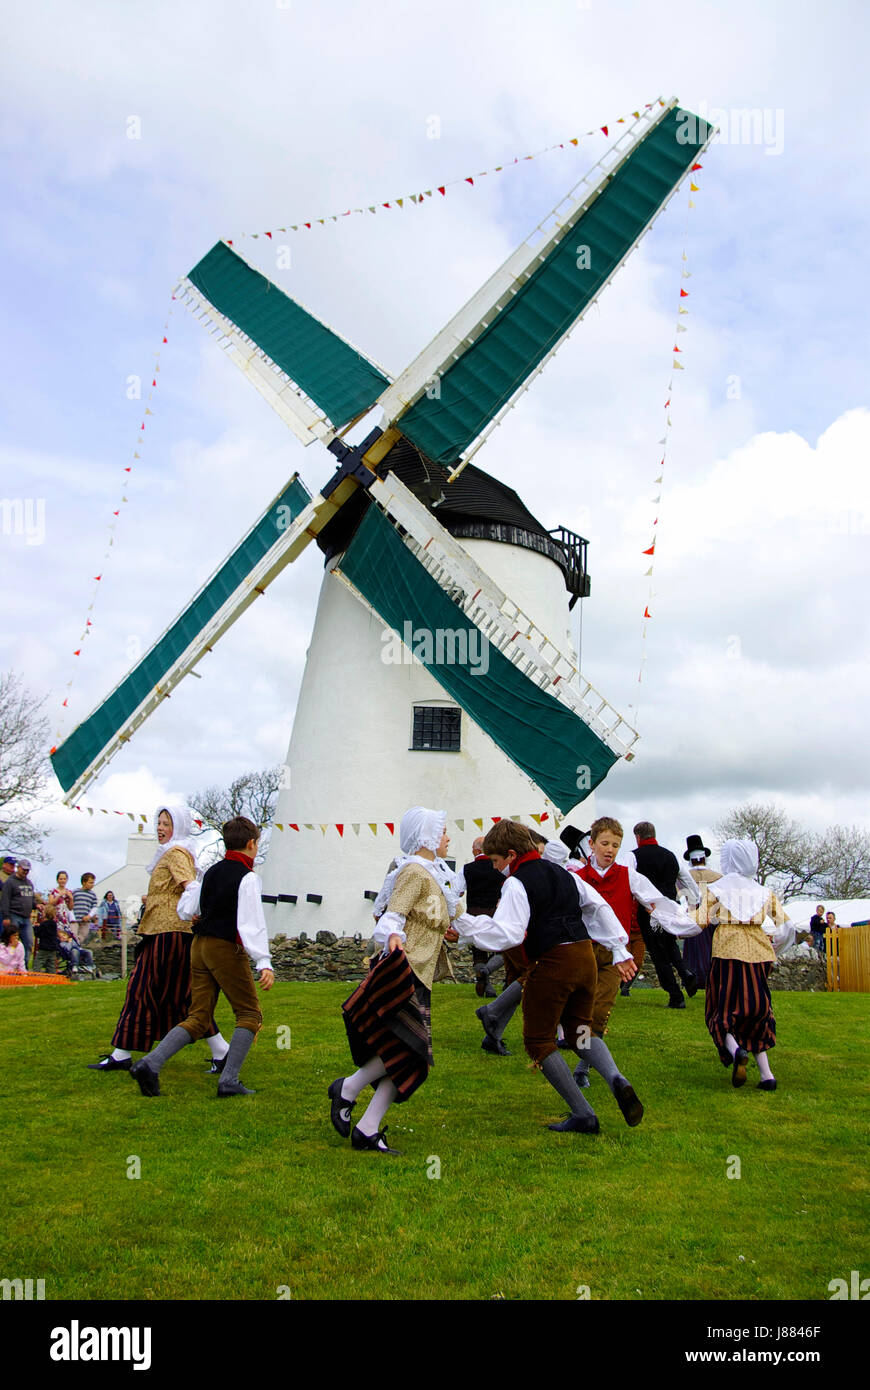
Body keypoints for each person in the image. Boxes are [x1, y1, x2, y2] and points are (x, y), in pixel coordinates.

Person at [458, 821, 643, 1135]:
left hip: (554, 962)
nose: (496, 867)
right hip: (585, 957)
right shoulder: (565, 873)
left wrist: (463, 925)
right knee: (578, 1030)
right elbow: (599, 906)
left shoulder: (516, 882)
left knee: (539, 1041)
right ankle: (616, 1078)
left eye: (496, 861)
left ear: (512, 855)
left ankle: (583, 1113)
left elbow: (509, 932)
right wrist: (617, 947)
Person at [330, 807, 456, 1155]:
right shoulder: (414, 872)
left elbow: (441, 917)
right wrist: (393, 938)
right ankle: (348, 1089)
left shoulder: (435, 875)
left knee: (408, 1054)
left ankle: (366, 1126)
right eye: (443, 831)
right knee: (407, 1048)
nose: (448, 838)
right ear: (428, 836)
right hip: (406, 970)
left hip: (423, 972)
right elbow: (392, 915)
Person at [130, 816, 274, 1099]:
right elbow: (250, 923)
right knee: (249, 1014)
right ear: (252, 844)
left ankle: (150, 1063)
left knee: (198, 1016)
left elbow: (186, 909)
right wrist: (263, 961)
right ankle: (229, 1080)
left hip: (199, 946)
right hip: (223, 947)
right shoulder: (248, 877)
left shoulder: (209, 872)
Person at [87, 803, 229, 1073]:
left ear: (179, 827)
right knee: (181, 996)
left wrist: (189, 911)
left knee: (142, 988)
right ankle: (221, 1051)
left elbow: (192, 886)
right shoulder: (173, 852)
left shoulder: (176, 852)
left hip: (168, 933)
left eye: (167, 824)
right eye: (159, 823)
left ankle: (121, 1053)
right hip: (165, 932)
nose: (161, 829)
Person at [690, 838, 788, 1091]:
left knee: (721, 1009)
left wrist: (664, 919)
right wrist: (775, 947)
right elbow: (786, 928)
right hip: (760, 953)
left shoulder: (718, 888)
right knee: (757, 1010)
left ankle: (736, 1051)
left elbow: (697, 922)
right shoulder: (765, 892)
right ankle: (767, 1075)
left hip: (727, 952)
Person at [631, 821, 701, 1008]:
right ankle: (685, 971)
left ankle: (675, 995)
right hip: (671, 908)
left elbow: (628, 879)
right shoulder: (671, 856)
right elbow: (689, 883)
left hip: (649, 910)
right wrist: (693, 905)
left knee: (658, 953)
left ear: (637, 837)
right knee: (670, 945)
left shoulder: (634, 856)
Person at [463, 836, 505, 997]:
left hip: (473, 914)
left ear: (477, 850)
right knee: (502, 951)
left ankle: (484, 974)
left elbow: (457, 891)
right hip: (495, 914)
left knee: (479, 952)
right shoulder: (498, 867)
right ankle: (486, 975)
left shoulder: (467, 869)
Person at [681, 834, 721, 985]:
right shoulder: (718, 877)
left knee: (694, 953)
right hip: (713, 919)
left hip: (693, 918)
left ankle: (693, 980)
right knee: (712, 951)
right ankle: (712, 980)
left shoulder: (684, 876)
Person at [1, 857, 37, 967]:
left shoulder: (29, 883)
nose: (25, 872)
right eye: (23, 869)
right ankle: (10, 967)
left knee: (29, 943)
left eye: (27, 870)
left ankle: (23, 967)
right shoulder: (10, 882)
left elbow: (31, 899)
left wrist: (37, 905)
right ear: (18, 868)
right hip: (13, 915)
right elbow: (5, 900)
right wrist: (6, 917)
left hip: (26, 917)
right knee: (12, 942)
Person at [72, 873, 99, 943]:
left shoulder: (93, 894)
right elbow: (70, 905)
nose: (92, 884)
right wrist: (72, 917)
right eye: (90, 883)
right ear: (84, 882)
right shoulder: (75, 892)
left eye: (93, 883)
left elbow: (95, 907)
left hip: (85, 921)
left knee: (82, 937)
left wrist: (89, 916)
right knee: (73, 936)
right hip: (75, 920)